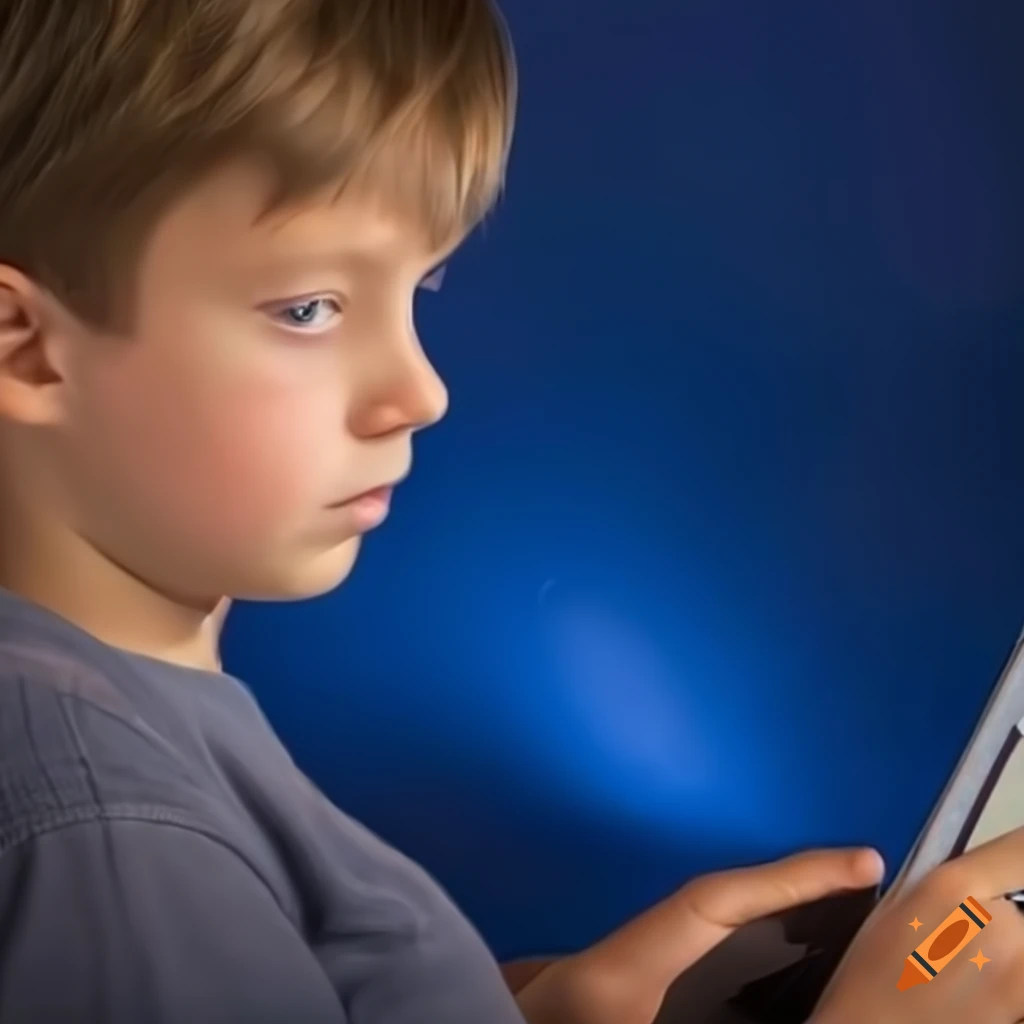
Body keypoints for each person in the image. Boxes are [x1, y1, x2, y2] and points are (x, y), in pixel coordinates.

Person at [0, 1, 1020, 1022]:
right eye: (309, 307)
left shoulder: (130, 728)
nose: (419, 390)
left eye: (420, 287)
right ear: (25, 344)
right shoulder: (108, 832)